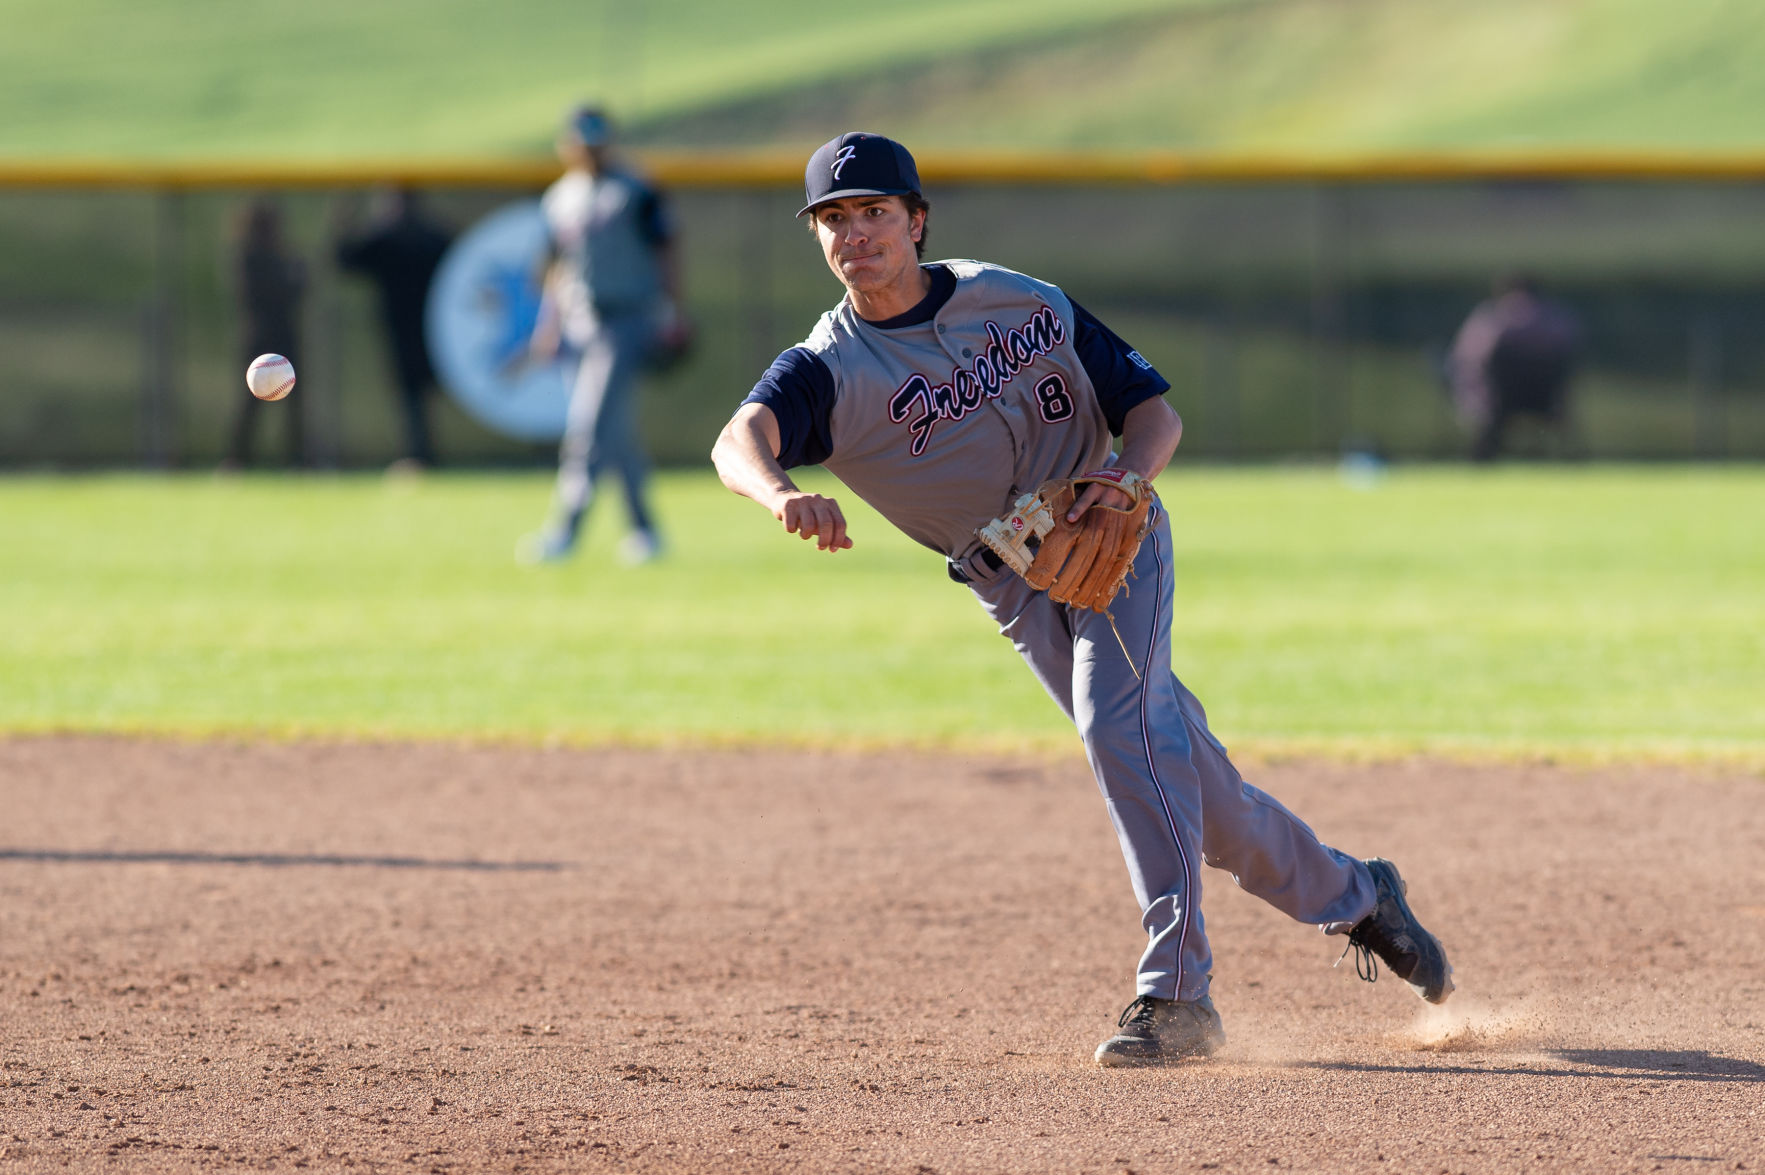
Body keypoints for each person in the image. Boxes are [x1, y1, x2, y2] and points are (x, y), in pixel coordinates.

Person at [711, 132, 1454, 1066]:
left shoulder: (1017, 299)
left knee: (1119, 728)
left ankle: (1176, 995)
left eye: (874, 213)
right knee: (1196, 791)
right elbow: (737, 438)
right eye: (833, 219)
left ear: (916, 220)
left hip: (1115, 536)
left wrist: (1125, 482)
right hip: (1012, 586)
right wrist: (781, 492)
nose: (855, 234)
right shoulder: (829, 366)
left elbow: (1153, 414)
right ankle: (1358, 895)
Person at [519, 105, 691, 565]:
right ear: (566, 144)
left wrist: (673, 311)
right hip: (578, 320)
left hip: (627, 319)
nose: (588, 150)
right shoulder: (559, 197)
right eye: (580, 141)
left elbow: (666, 251)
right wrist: (548, 323)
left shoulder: (636, 190)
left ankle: (564, 531)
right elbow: (556, 267)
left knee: (588, 427)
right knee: (613, 432)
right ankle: (646, 532)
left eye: (595, 141)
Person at [334, 186, 453, 472]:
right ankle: (419, 454)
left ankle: (421, 453)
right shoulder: (389, 238)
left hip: (438, 326)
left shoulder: (426, 237)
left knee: (425, 389)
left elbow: (460, 260)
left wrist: (346, 222)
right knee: (411, 392)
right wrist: (345, 222)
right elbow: (347, 260)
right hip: (402, 327)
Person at [1447, 274, 1581, 461]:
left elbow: (1469, 357)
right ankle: (1571, 458)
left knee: (1487, 409)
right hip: (1543, 398)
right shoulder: (1555, 318)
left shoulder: (1491, 319)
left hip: (1507, 400)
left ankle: (1482, 457)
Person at [224, 198, 306, 469]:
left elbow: (298, 290)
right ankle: (237, 461)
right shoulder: (248, 258)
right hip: (258, 339)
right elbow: (264, 293)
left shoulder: (284, 256)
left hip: (285, 337)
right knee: (250, 404)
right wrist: (289, 279)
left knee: (295, 406)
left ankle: (298, 462)